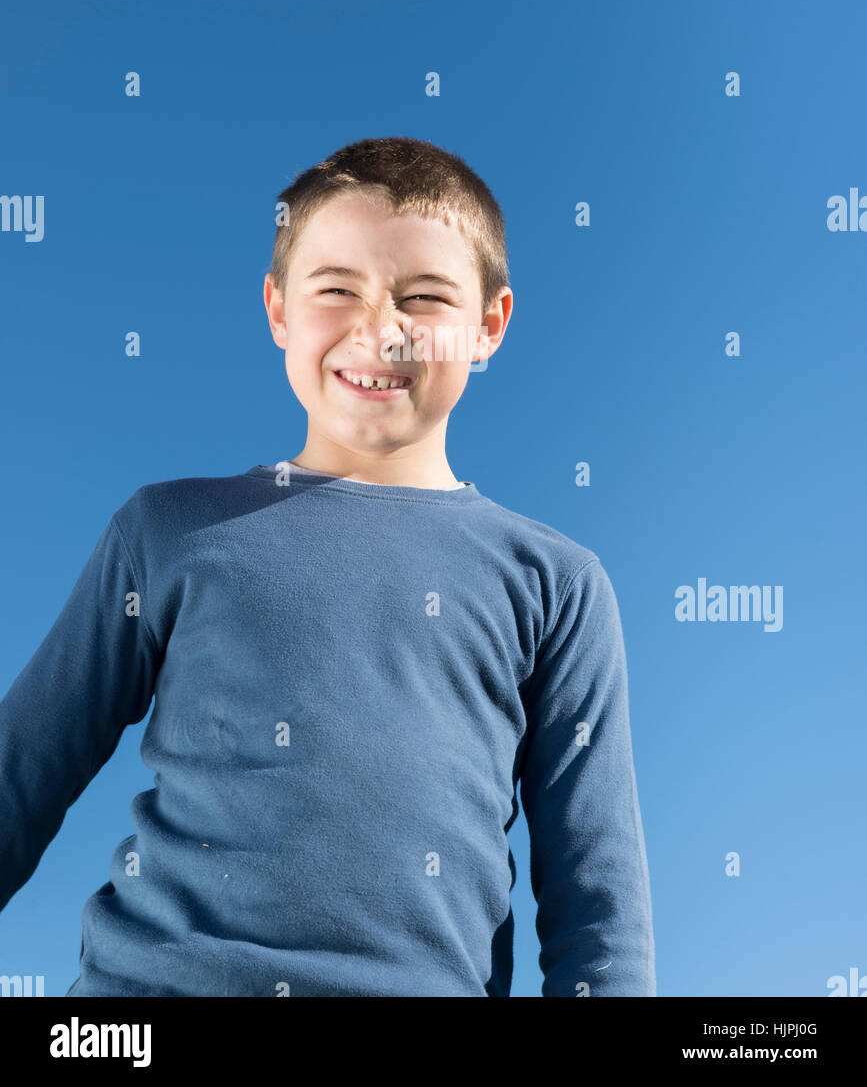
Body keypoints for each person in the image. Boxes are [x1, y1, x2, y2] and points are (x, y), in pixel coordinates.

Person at [0, 135, 656, 997]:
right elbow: (19, 777)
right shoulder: (167, 531)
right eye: (335, 289)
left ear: (489, 325)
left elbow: (597, 903)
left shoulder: (556, 586)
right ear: (278, 310)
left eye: (423, 296)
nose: (377, 328)